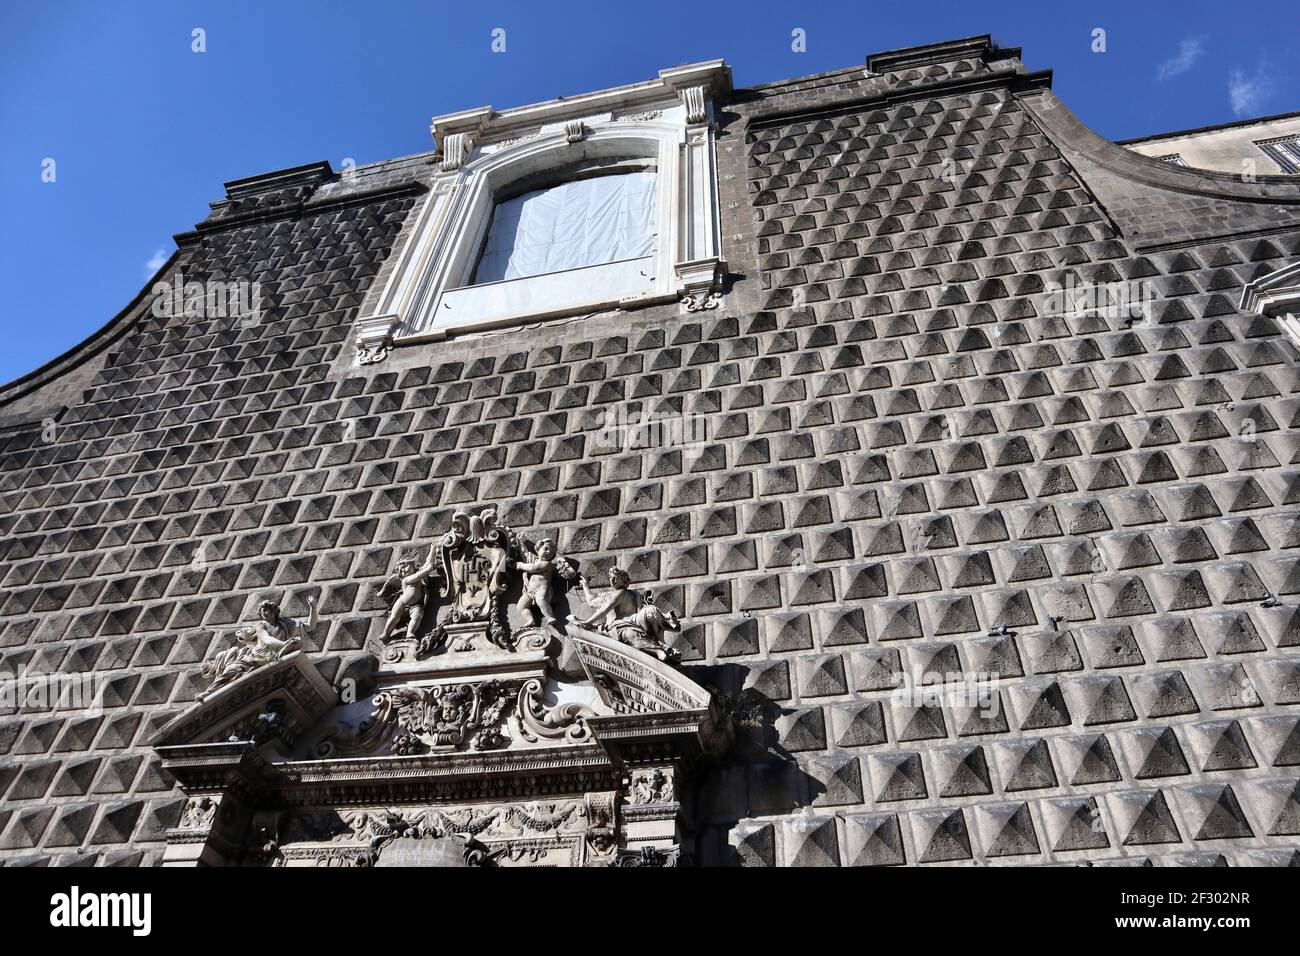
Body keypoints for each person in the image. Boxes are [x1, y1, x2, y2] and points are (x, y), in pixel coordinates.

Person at [577, 567, 680, 654]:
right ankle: (660, 646)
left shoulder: (632, 594)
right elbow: (594, 603)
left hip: (633, 621)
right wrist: (585, 586)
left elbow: (604, 610)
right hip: (619, 624)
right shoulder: (609, 595)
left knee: (651, 610)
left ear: (624, 581)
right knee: (642, 620)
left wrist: (587, 622)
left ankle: (660, 643)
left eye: (616, 578)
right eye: (611, 578)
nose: (612, 581)